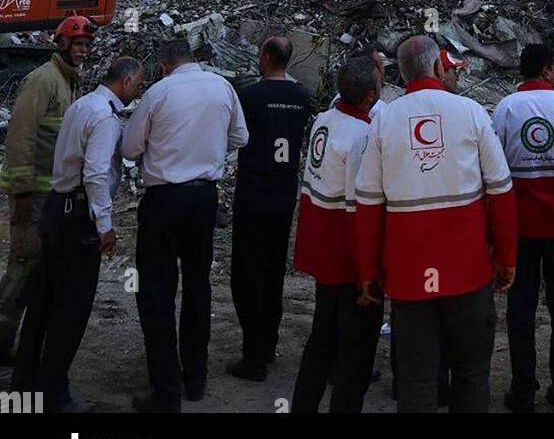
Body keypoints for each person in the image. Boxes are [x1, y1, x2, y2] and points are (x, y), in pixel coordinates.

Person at [355, 34, 517, 413]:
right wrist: (507, 257)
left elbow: (367, 206)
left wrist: (368, 270)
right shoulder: (472, 112)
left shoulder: (384, 121)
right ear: (440, 67)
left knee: (416, 380)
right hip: (468, 272)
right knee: (472, 374)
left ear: (401, 72)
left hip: (410, 277)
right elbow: (502, 193)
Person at [121, 36, 248, 413]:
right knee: (197, 287)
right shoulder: (221, 86)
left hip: (163, 200)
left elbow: (129, 149)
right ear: (193, 59)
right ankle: (195, 378)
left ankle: (166, 390)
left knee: (157, 294)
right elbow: (241, 136)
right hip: (203, 199)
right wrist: (206, 150)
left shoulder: (159, 93)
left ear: (163, 65)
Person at [11, 56, 143, 412]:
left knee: (42, 301)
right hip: (77, 215)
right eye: (139, 83)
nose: (139, 90)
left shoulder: (83, 103)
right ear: (126, 82)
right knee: (71, 309)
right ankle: (54, 393)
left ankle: (24, 386)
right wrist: (105, 226)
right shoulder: (105, 118)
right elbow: (97, 174)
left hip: (57, 207)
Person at [492, 42, 554, 414]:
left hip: (520, 228)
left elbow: (495, 164)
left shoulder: (505, 108)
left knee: (521, 308)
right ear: (549, 70)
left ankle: (522, 392)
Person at [0, 15, 93, 364]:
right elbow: (20, 136)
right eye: (78, 45)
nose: (83, 52)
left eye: (86, 46)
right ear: (62, 44)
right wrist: (21, 192)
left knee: (39, 268)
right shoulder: (42, 81)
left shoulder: (68, 81)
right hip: (33, 196)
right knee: (22, 265)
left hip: (51, 196)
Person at [291, 56, 382, 413]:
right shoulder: (361, 135)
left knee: (321, 338)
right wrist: (366, 275)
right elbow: (357, 208)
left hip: (322, 247)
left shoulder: (325, 120)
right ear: (371, 97)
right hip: (346, 256)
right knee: (356, 351)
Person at [228, 36, 313, 382]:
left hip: (252, 196)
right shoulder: (301, 98)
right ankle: (268, 342)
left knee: (246, 274)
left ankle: (254, 355)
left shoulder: (249, 96)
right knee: (272, 271)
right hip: (282, 196)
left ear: (264, 57)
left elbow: (235, 138)